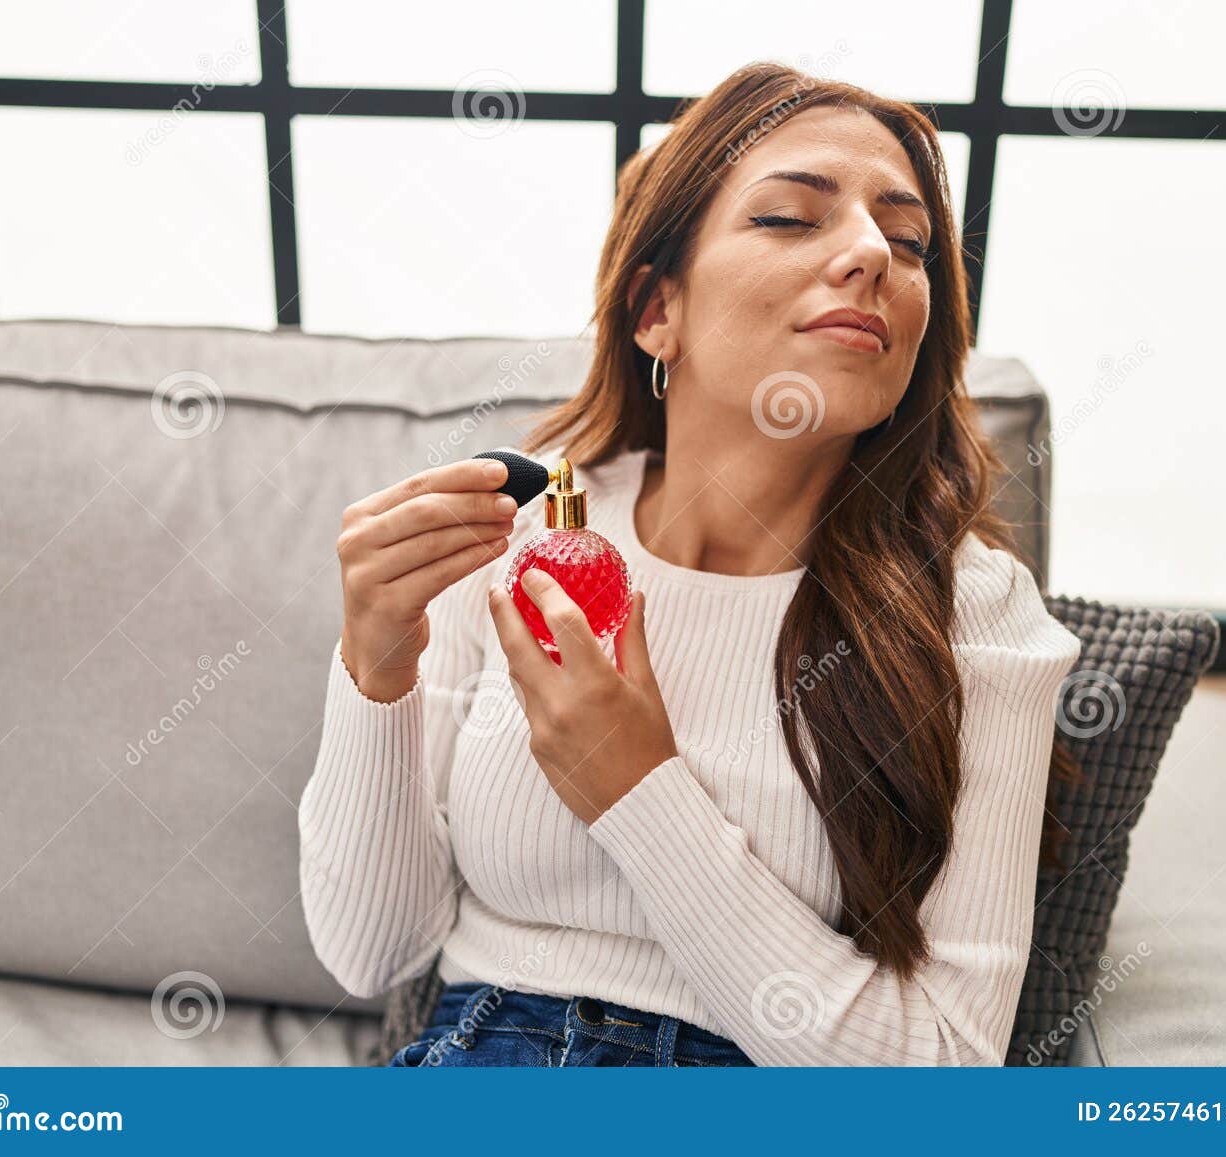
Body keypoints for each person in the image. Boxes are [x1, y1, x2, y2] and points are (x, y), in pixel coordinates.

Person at [300, 61, 1083, 1067]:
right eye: (792, 218)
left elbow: (945, 1065)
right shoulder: (517, 538)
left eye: (908, 241)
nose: (868, 256)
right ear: (654, 309)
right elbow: (372, 951)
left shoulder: (973, 610)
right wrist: (374, 668)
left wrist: (635, 782)